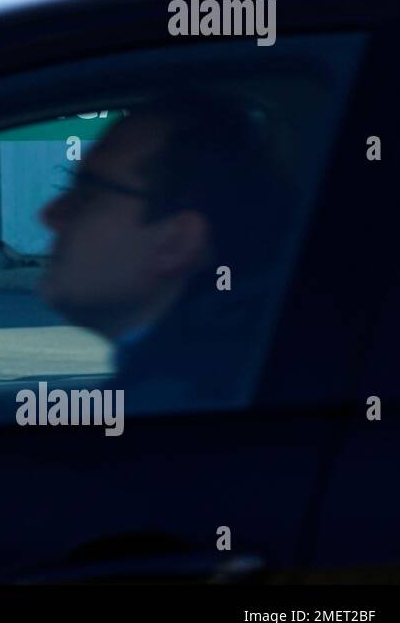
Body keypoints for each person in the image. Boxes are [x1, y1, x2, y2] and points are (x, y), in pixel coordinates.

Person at [37, 92, 294, 410]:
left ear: (177, 242)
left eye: (89, 195)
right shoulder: (224, 370)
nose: (50, 214)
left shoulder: (181, 403)